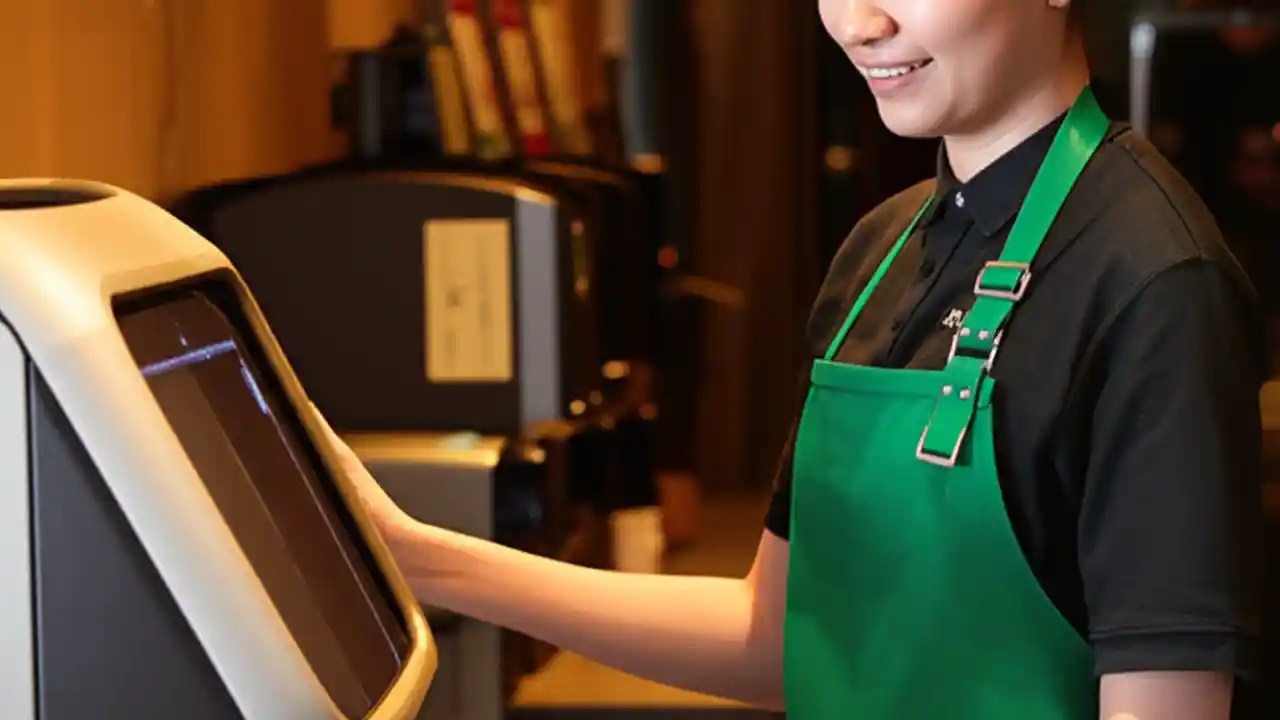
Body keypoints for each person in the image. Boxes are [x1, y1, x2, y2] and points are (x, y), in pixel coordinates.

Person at [316, 1, 1265, 717]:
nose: (859, 23)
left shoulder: (1156, 282)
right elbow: (777, 634)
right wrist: (420, 558)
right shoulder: (880, 250)